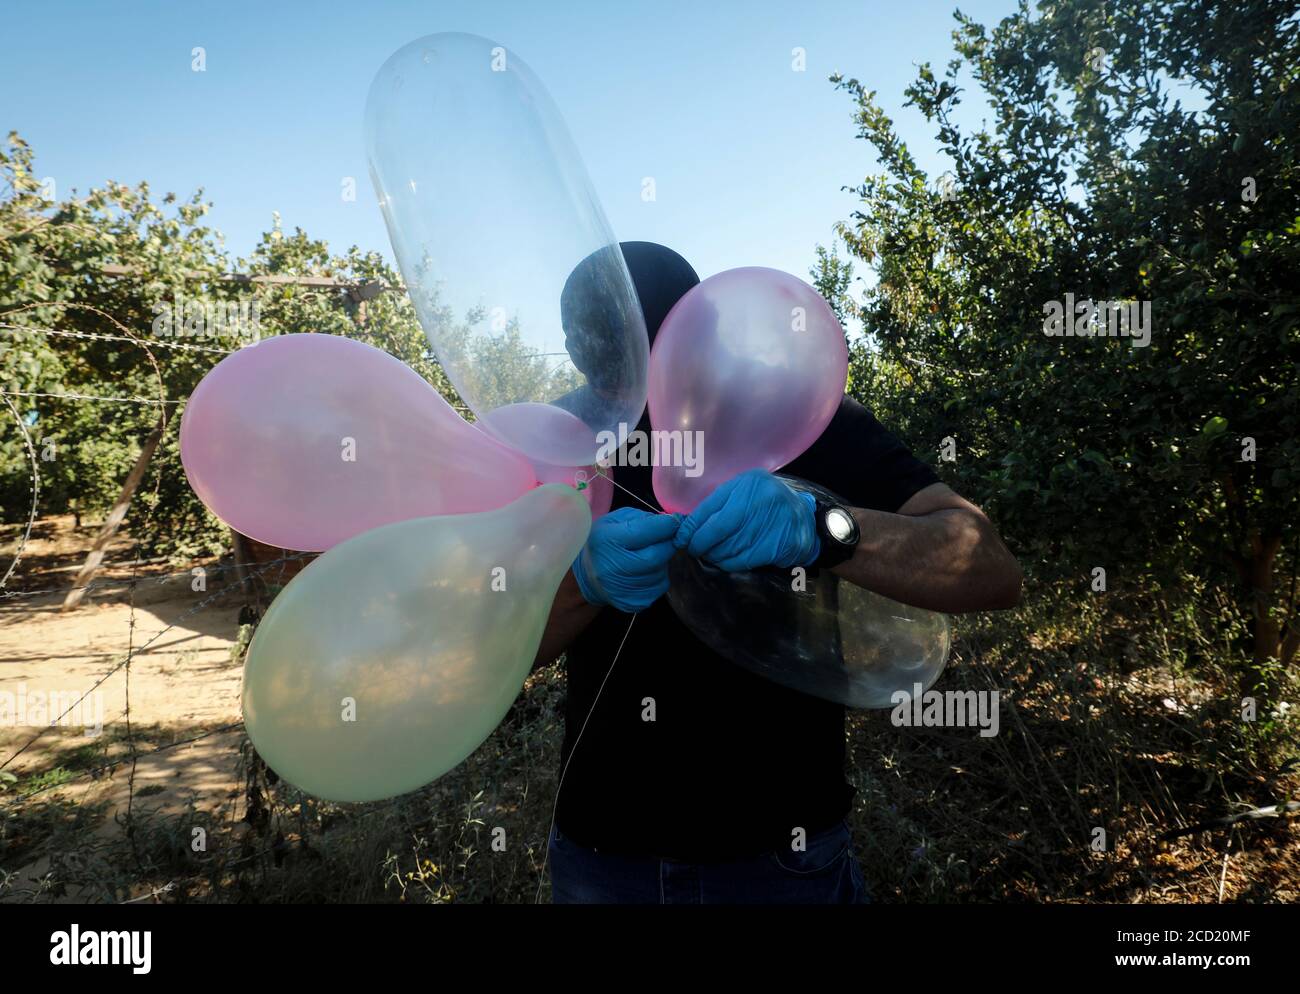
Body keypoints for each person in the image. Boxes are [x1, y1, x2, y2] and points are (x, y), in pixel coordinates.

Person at [535, 241, 1022, 904]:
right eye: (606, 370)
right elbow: (506, 647)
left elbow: (988, 567)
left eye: (649, 359)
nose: (634, 401)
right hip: (603, 849)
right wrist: (580, 584)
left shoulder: (802, 414)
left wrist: (822, 528)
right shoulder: (555, 445)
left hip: (781, 848)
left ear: (701, 327)